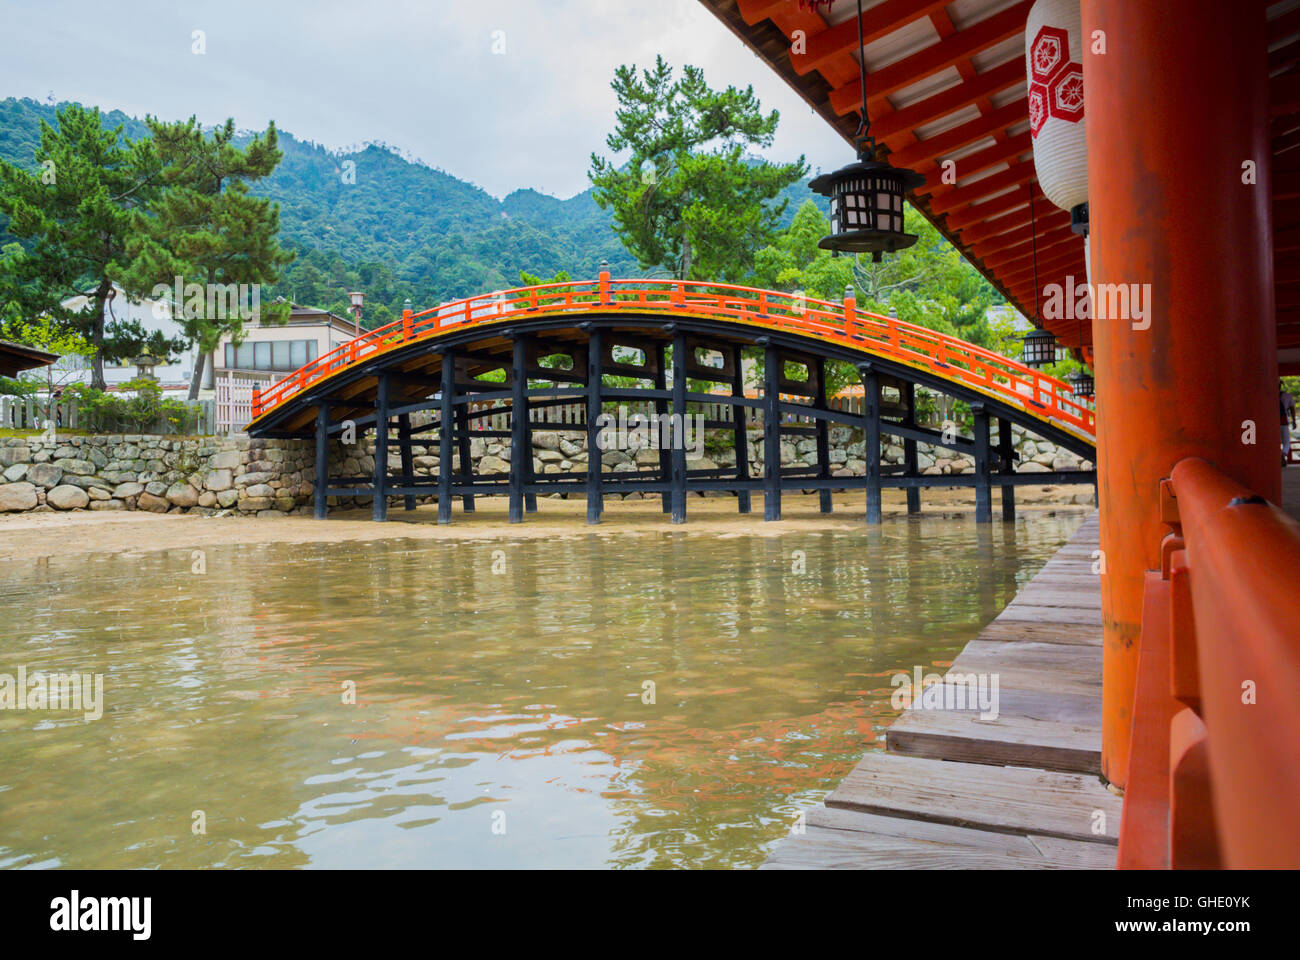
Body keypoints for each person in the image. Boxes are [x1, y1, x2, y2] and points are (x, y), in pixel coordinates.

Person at [1283, 384, 1297, 466]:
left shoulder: (1269, 394)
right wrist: (1294, 421)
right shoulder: (1287, 396)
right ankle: (1283, 454)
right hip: (1284, 421)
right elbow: (1292, 409)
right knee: (1286, 442)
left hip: (1272, 422)